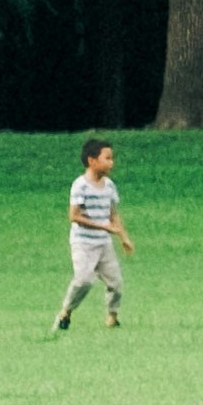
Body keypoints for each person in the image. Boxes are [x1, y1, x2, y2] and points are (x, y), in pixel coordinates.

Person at [54, 142, 130, 332]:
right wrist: (102, 226)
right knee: (84, 280)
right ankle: (66, 313)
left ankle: (112, 318)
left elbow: (113, 214)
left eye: (112, 158)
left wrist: (123, 237)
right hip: (83, 242)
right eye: (107, 158)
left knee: (116, 283)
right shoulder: (80, 186)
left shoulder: (109, 186)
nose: (111, 163)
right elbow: (74, 216)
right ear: (92, 160)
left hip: (103, 243)